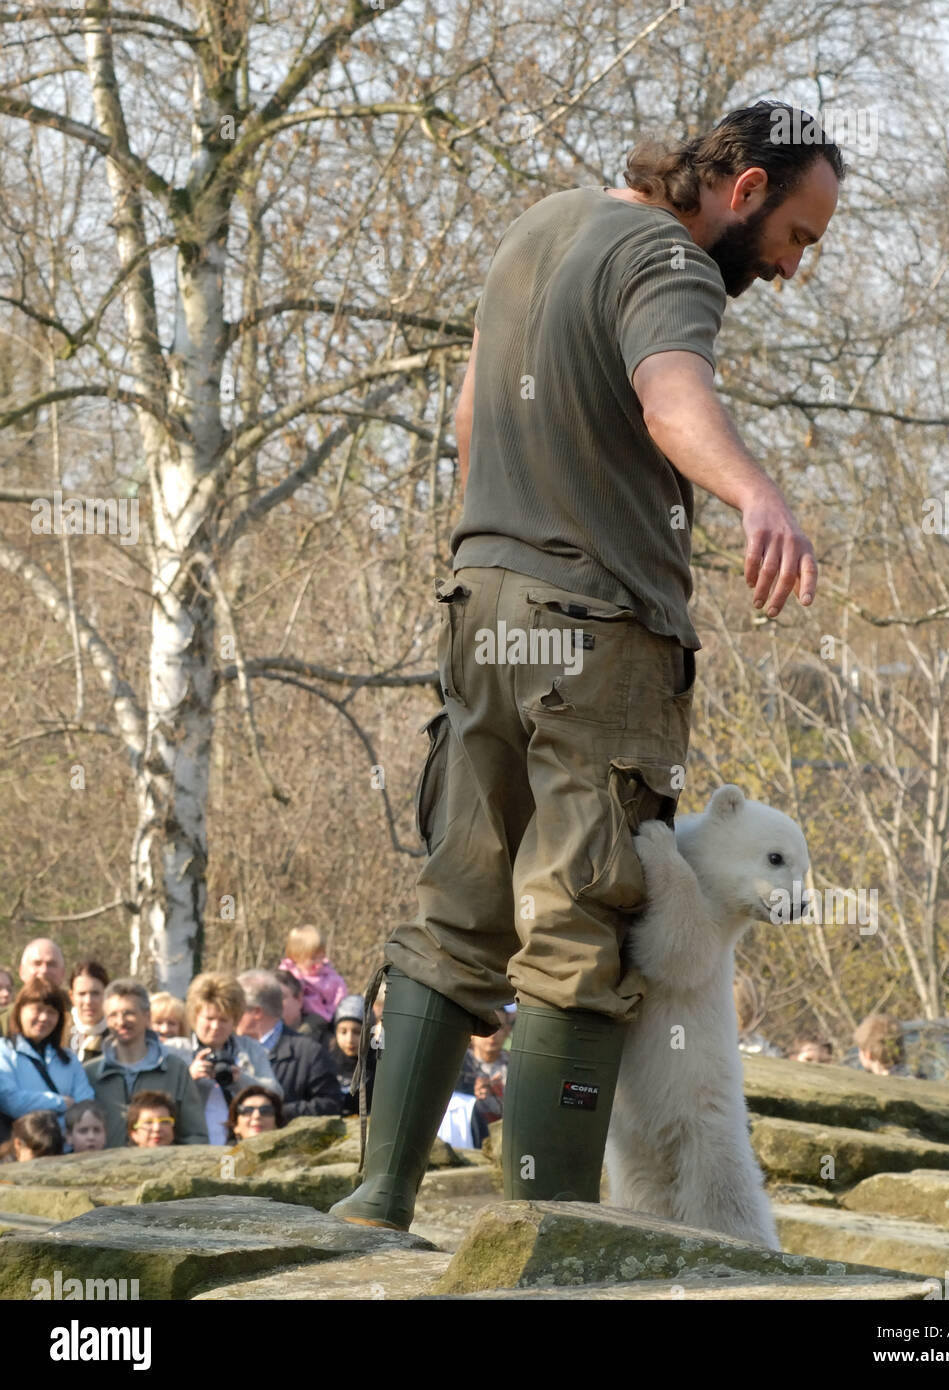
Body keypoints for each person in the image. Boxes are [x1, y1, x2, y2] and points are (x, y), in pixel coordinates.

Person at [330, 102, 840, 1232]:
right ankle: (547, 1234)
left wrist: (495, 555)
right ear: (744, 190)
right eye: (796, 236)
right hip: (598, 634)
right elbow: (672, 397)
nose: (792, 267)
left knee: (459, 902)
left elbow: (472, 417)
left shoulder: (537, 230)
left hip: (482, 610)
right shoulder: (670, 262)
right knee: (579, 921)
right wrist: (757, 493)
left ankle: (377, 1195)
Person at [85, 980, 208, 1147]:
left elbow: (195, 1135)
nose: (121, 1021)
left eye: (129, 1013)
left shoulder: (174, 1070)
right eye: (113, 1015)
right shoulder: (91, 1074)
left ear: (147, 1017)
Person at [165, 973, 280, 1143]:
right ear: (195, 1016)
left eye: (223, 1020)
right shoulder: (174, 1050)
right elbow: (158, 1102)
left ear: (235, 1020)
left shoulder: (250, 1049)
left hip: (241, 1146)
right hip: (188, 1145)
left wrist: (240, 1080)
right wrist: (189, 1078)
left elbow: (276, 1094)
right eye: (209, 1018)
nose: (215, 1026)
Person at [236, 970, 341, 1119]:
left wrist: (275, 1113)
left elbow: (330, 1105)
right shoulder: (228, 1047)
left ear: (257, 1012)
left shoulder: (309, 1053)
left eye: (237, 1008)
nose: (231, 1015)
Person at [0, 980, 94, 1128]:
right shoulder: (4, 1051)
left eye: (51, 1012)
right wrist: (61, 1102)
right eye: (37, 1009)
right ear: (19, 1010)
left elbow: (85, 1105)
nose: (44, 1017)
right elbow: (11, 1101)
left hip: (67, 1141)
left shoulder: (69, 1059)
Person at [454, 1012, 510, 1148]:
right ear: (472, 1033)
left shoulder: (516, 1065)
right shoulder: (455, 1065)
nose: (493, 1034)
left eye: (499, 1027)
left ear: (508, 1031)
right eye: (487, 1026)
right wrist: (471, 1092)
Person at [278, 926, 348, 1031]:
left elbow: (339, 997)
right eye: (313, 958)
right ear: (296, 957)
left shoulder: (329, 977)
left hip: (317, 1015)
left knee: (307, 1029)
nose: (318, 962)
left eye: (321, 957)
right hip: (290, 1014)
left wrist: (330, 1013)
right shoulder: (287, 973)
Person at [0, 938, 68, 1037]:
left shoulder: (79, 1017)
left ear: (63, 973)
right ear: (22, 971)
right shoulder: (3, 1021)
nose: (44, 970)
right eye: (37, 963)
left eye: (51, 964)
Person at [330, 993, 375, 1116]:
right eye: (343, 1032)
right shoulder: (326, 1060)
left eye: (357, 1032)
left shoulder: (378, 1066)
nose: (349, 1040)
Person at [69, 961, 110, 1063]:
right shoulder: (59, 1032)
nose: (88, 1001)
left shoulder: (117, 1037)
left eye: (95, 993)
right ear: (71, 996)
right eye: (82, 994)